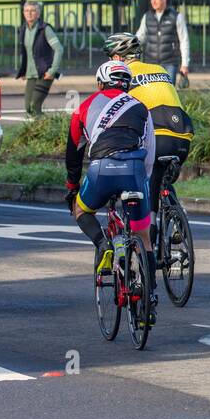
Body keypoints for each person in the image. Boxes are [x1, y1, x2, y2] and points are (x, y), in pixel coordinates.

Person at [65, 60, 158, 318]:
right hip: (134, 171)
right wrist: (144, 180)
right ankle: (150, 297)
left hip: (101, 170)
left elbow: (73, 152)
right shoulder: (141, 107)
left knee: (81, 211)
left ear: (99, 83)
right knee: (144, 236)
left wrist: (72, 188)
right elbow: (150, 151)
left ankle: (103, 244)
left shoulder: (84, 107)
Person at [102, 32, 193, 214]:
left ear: (118, 57)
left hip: (158, 135)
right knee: (161, 179)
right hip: (184, 134)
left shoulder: (122, 76)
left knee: (143, 180)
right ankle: (176, 218)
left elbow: (115, 115)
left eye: (110, 58)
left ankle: (149, 230)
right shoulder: (160, 69)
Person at [16, 1, 63, 116]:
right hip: (30, 74)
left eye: (33, 11)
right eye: (26, 11)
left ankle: (47, 130)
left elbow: (59, 49)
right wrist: (23, 70)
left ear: (38, 14)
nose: (29, 13)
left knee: (34, 106)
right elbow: (26, 52)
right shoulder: (23, 29)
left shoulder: (45, 29)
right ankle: (41, 130)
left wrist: (52, 71)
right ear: (23, 13)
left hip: (45, 73)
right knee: (28, 108)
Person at [134, 0, 190, 82]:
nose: (153, 1)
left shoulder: (176, 17)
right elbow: (140, 37)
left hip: (170, 63)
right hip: (150, 63)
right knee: (151, 93)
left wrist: (185, 64)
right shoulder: (147, 17)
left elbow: (184, 40)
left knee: (168, 93)